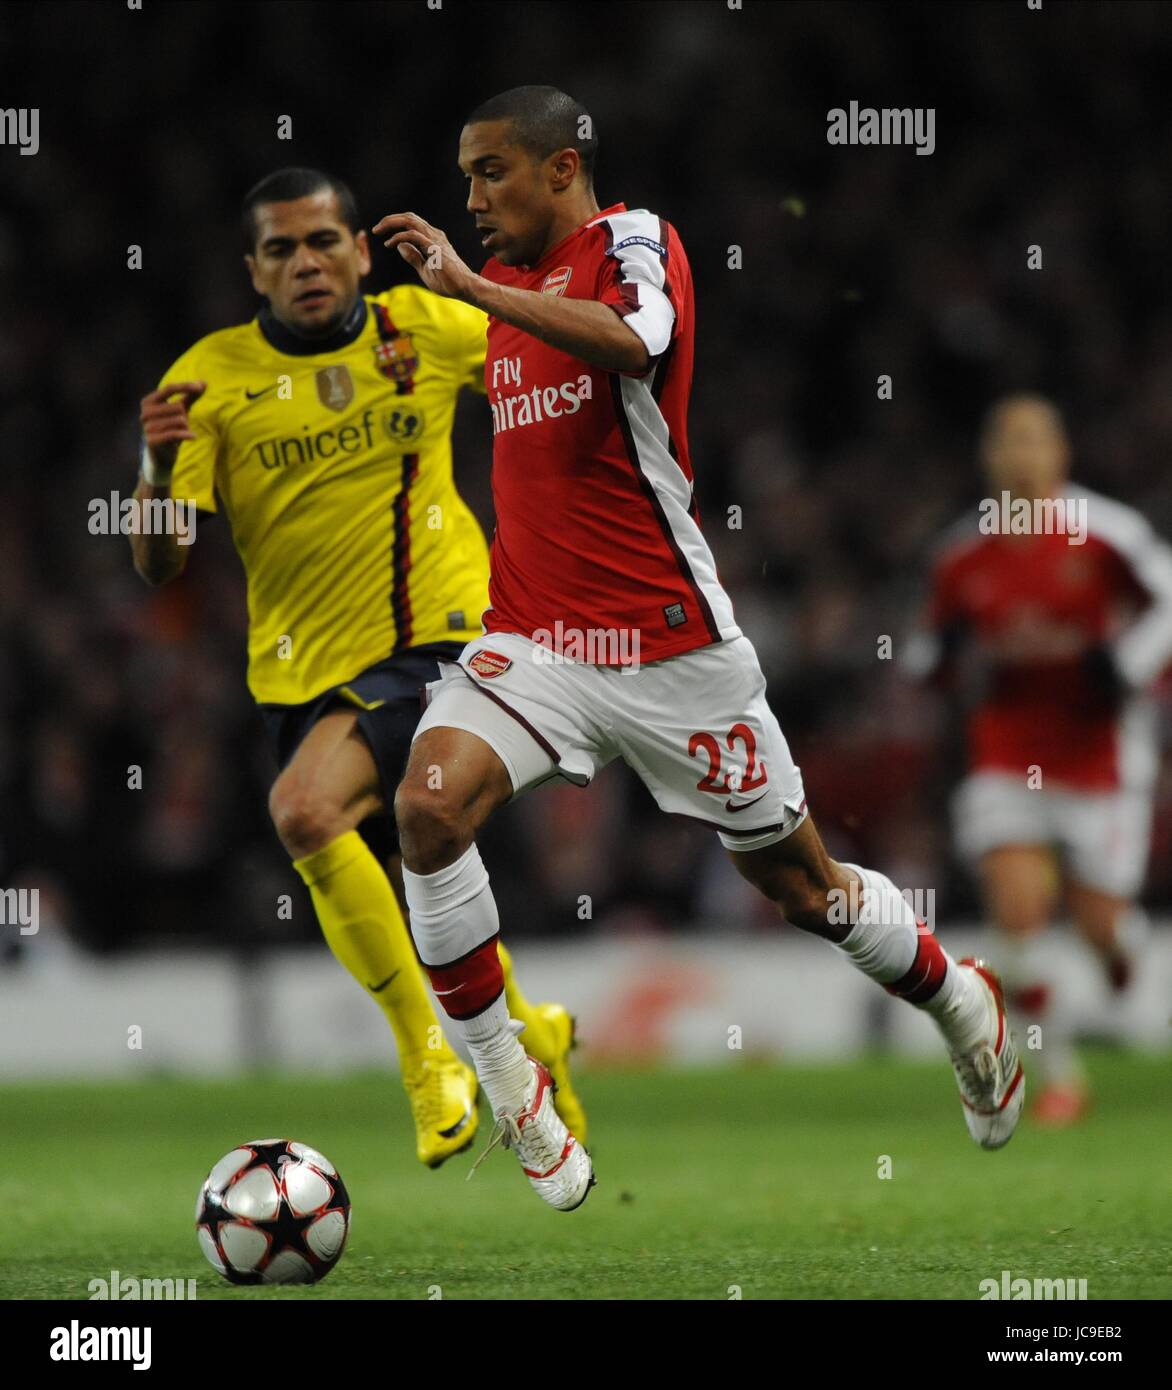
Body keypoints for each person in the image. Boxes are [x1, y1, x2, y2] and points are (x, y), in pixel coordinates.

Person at [372, 86, 1023, 1213]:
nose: (469, 198)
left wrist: (472, 292)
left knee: (801, 888)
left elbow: (636, 344)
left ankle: (960, 1002)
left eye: (490, 172)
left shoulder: (629, 242)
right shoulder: (496, 301)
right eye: (464, 176)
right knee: (426, 811)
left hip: (671, 647)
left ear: (561, 168)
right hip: (535, 642)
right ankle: (512, 1088)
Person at [130, 166, 586, 1168]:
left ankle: (429, 1059)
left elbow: (555, 359)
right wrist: (157, 472)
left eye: (324, 240)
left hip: (442, 631)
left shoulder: (422, 325)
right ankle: (523, 1036)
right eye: (282, 249)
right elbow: (160, 559)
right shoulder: (206, 379)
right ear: (252, 270)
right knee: (420, 855)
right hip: (302, 674)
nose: (307, 262)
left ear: (358, 248)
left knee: (304, 810)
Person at [906, 394, 1172, 1124]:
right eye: (1006, 442)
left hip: (1100, 755)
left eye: (1033, 441)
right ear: (989, 459)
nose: (1020, 456)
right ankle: (1059, 1076)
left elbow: (1168, 600)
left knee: (1098, 924)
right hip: (1007, 751)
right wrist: (947, 653)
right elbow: (920, 652)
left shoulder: (1107, 532)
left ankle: (1122, 947)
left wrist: (1128, 661)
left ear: (1060, 454)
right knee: (1017, 915)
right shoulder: (962, 554)